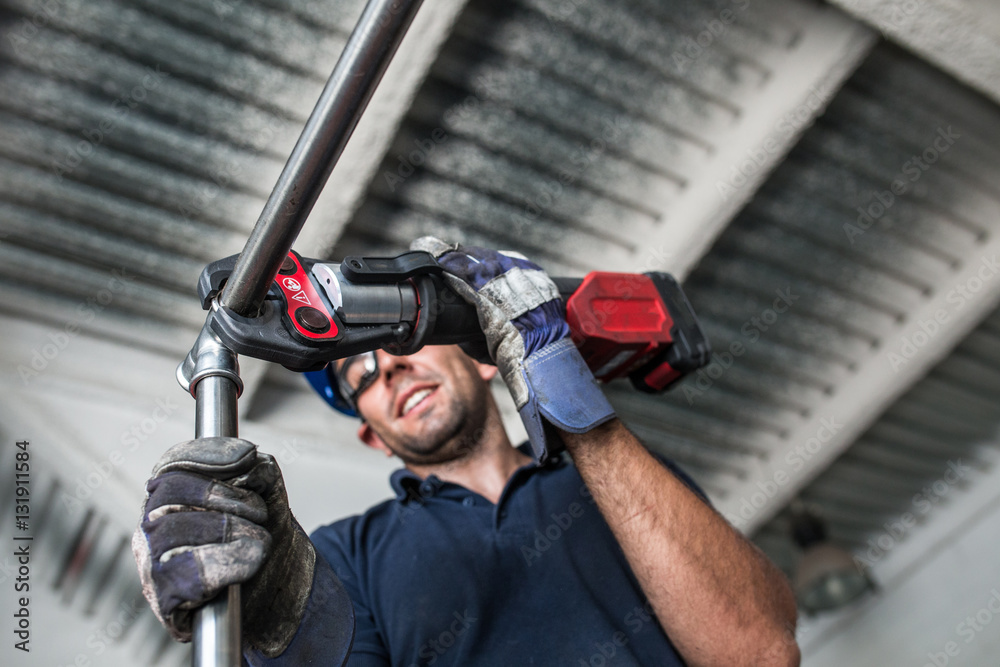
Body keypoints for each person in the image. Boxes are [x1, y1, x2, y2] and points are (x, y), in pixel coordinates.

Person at [133, 238, 801, 666]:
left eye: (396, 351)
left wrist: (571, 402)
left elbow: (760, 651)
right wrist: (274, 619)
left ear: (483, 361)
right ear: (371, 431)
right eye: (358, 378)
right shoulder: (345, 556)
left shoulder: (623, 486)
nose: (386, 373)